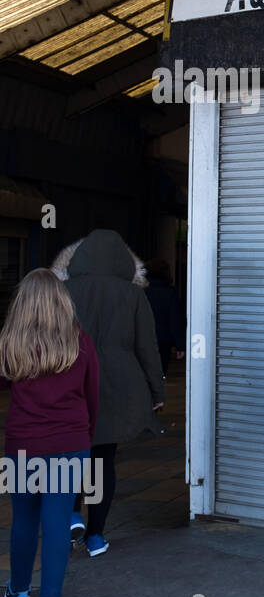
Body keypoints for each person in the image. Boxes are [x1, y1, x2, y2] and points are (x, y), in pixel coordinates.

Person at [52, 230, 164, 556]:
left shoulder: (62, 291)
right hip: (116, 386)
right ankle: (96, 535)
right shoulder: (133, 296)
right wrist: (157, 389)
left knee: (71, 455)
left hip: (70, 382)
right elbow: (148, 347)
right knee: (103, 459)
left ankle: (72, 514)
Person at [1, 268, 100, 597]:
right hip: (69, 444)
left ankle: (19, 591)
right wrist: (83, 438)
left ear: (22, 305)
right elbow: (93, 397)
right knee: (57, 523)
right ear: (62, 302)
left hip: (23, 445)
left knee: (24, 520)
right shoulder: (81, 342)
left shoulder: (11, 342)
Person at [142, 258, 184, 377]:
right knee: (160, 374)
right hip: (163, 341)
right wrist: (180, 345)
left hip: (143, 339)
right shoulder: (171, 293)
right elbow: (175, 321)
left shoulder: (141, 292)